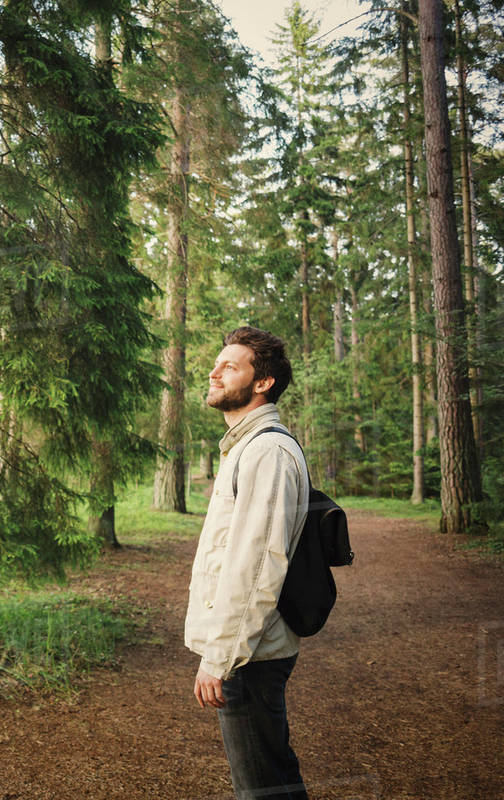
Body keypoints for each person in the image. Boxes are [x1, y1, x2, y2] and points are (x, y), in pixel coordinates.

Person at [185, 326, 310, 800]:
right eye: (217, 363)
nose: (214, 372)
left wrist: (220, 658)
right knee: (270, 778)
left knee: (263, 787)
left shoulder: (266, 451)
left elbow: (258, 566)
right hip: (248, 650)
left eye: (230, 366)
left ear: (263, 383)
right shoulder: (246, 447)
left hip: (250, 656)